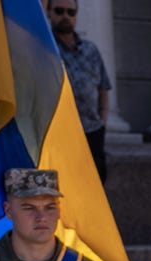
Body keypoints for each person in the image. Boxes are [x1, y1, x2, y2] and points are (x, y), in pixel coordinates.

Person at [48, 0, 111, 184]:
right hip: (59, 133)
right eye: (59, 11)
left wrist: (103, 122)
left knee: (95, 187)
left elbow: (103, 89)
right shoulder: (45, 48)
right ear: (49, 12)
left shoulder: (91, 50)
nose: (65, 16)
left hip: (92, 132)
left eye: (71, 12)